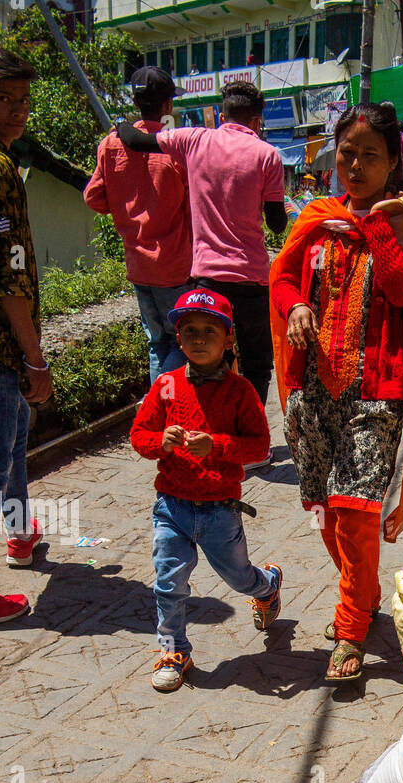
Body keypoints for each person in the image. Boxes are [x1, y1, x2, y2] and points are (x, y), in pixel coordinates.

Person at [269, 103, 403, 683]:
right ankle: (367, 591)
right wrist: (297, 305)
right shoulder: (315, 218)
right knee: (329, 513)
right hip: (316, 390)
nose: (354, 165)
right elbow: (280, 276)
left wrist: (376, 224)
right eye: (347, 153)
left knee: (356, 511)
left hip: (376, 392)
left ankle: (351, 629)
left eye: (369, 156)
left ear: (392, 162)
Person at [116, 78, 286, 469]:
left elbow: (137, 141)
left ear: (221, 115)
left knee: (209, 359)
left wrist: (120, 125)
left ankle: (205, 437)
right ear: (257, 120)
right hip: (252, 277)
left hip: (206, 278)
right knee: (257, 362)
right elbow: (276, 223)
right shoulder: (267, 155)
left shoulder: (194, 139)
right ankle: (250, 447)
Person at [130, 288, 281, 693]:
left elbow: (260, 446)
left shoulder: (240, 391)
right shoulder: (165, 386)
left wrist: (217, 445)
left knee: (240, 579)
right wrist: (161, 439)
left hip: (219, 511)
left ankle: (267, 586)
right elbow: (139, 436)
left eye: (209, 330)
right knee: (168, 582)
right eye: (189, 330)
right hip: (172, 507)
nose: (198, 339)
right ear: (177, 338)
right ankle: (174, 649)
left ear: (228, 338)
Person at [0, 43, 49, 626]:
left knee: (8, 444)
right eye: (4, 98)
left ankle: (20, 533)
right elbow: (12, 271)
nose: (17, 110)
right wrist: (34, 356)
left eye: (23, 99)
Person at [84, 67, 193, 384]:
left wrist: (124, 209)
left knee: (156, 342)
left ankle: (157, 407)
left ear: (135, 100)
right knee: (181, 343)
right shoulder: (175, 147)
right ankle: (159, 403)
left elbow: (93, 197)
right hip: (174, 265)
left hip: (137, 263)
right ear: (168, 105)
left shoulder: (111, 145)